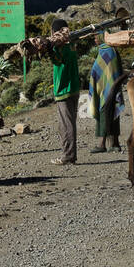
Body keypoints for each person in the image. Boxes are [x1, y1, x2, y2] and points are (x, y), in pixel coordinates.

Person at [49, 20, 81, 165]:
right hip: (74, 88)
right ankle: (70, 154)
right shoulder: (71, 44)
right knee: (71, 123)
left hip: (64, 90)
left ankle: (68, 156)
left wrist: (50, 49)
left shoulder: (58, 47)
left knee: (66, 124)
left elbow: (57, 61)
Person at [89, 39, 124, 153]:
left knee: (104, 113)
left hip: (106, 89)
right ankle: (115, 143)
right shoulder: (112, 50)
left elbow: (99, 69)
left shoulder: (106, 51)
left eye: (96, 37)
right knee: (113, 113)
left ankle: (102, 144)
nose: (94, 40)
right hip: (112, 87)